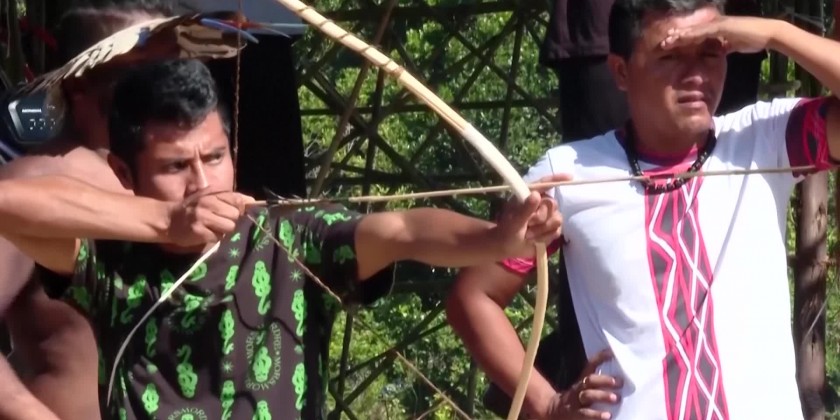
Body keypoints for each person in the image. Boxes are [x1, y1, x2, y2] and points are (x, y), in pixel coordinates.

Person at [0, 58, 564, 419]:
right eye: (176, 167)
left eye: (215, 157)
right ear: (125, 175)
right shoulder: (111, 261)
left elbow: (404, 229)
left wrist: (498, 237)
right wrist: (160, 222)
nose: (203, 182)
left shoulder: (293, 236)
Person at [448, 0, 840, 419]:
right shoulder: (570, 175)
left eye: (710, 52)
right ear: (620, 71)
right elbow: (474, 295)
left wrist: (773, 33)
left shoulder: (767, 139)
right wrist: (546, 404)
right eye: (670, 55)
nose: (695, 75)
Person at [0, 3, 175, 419]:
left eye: (175, 69)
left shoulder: (180, 184)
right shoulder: (30, 187)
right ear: (81, 84)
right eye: (146, 73)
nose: (168, 89)